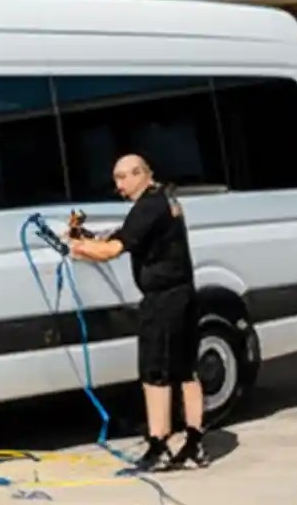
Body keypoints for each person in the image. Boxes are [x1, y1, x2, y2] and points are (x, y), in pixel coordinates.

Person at [66, 153, 210, 471]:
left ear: (139, 174)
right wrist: (89, 239)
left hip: (162, 301)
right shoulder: (164, 199)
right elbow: (125, 236)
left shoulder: (147, 207)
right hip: (184, 294)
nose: (118, 186)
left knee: (154, 373)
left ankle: (158, 445)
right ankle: (194, 443)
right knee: (185, 370)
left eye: (122, 178)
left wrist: (72, 247)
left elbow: (112, 250)